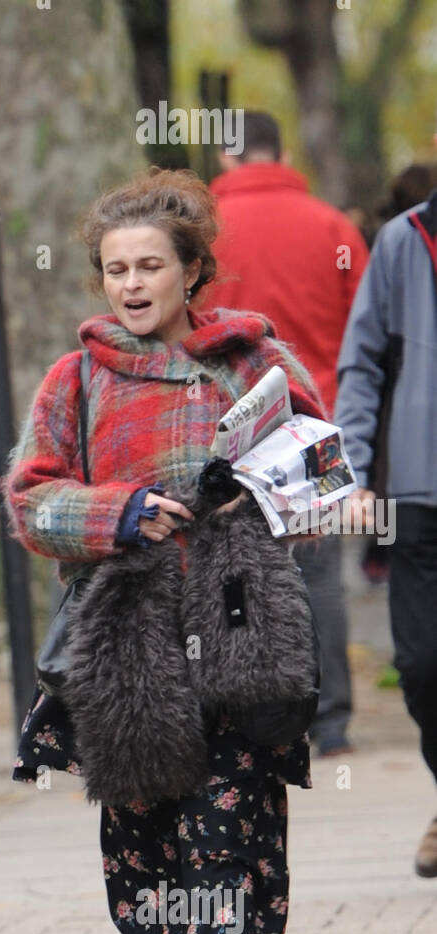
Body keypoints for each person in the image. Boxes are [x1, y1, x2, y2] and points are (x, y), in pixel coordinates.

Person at [4, 168, 326, 934]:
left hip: (237, 632)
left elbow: (322, 474)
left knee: (227, 828)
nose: (131, 284)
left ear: (194, 272)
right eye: (115, 269)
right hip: (125, 649)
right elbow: (30, 502)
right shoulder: (76, 380)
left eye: (151, 266)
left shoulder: (255, 363)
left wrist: (265, 500)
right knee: (141, 844)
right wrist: (122, 511)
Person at [202, 111, 370, 758]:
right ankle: (332, 720)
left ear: (225, 153)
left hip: (228, 427)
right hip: (318, 419)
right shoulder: (333, 227)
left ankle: (256, 713)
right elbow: (368, 331)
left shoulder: (203, 232)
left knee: (232, 572)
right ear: (282, 151)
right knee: (319, 573)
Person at [335, 120, 437, 878]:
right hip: (417, 490)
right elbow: (363, 362)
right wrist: (354, 469)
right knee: (424, 662)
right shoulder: (404, 242)